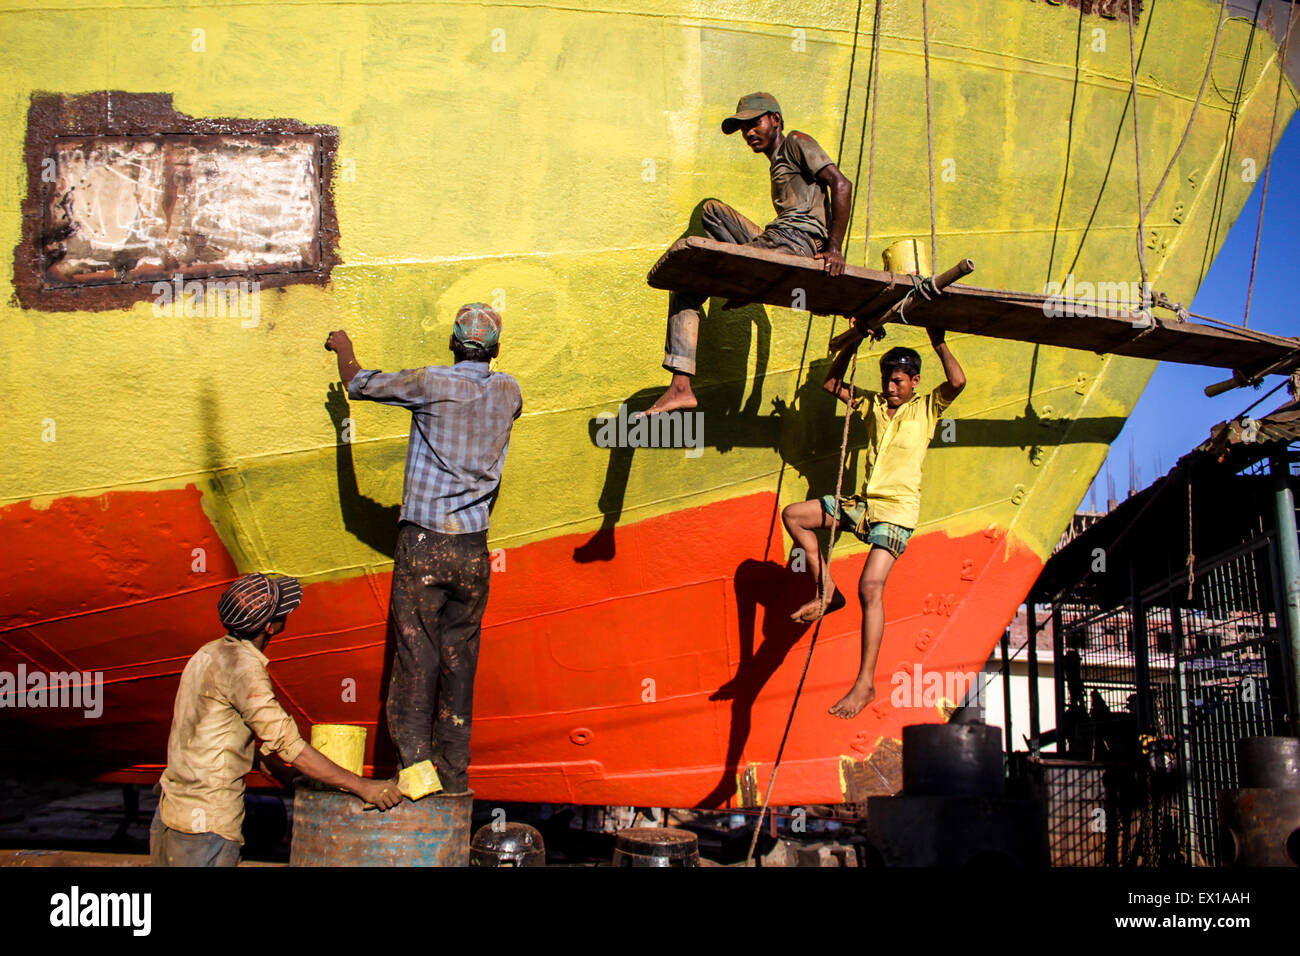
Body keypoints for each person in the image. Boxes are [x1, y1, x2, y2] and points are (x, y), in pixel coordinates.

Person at [326, 303, 522, 795]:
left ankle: (416, 781)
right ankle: (455, 781)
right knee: (461, 662)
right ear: (496, 349)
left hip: (424, 542)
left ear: (454, 343)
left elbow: (358, 382)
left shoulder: (432, 384)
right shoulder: (510, 392)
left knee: (417, 657)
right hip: (473, 548)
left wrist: (342, 346)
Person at [151, 572, 401, 867]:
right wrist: (363, 786)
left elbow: (212, 737)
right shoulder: (245, 670)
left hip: (169, 814)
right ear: (270, 627)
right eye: (283, 611)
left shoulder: (206, 654)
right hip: (206, 826)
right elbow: (289, 745)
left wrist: (275, 770)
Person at [781, 329, 966, 719]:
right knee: (795, 516)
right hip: (863, 505)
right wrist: (850, 344)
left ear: (914, 381)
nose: (891, 387)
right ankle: (827, 589)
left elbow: (957, 382)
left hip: (896, 512)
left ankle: (865, 683)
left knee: (870, 586)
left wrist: (938, 341)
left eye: (898, 381)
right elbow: (831, 382)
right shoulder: (873, 404)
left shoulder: (927, 408)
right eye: (887, 379)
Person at [645, 91, 853, 416]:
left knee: (691, 278)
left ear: (776, 120)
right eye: (743, 129)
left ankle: (742, 277)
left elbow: (841, 185)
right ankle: (681, 386)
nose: (748, 133)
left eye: (754, 123)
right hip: (777, 239)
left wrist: (833, 248)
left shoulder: (796, 141)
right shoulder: (777, 164)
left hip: (795, 244)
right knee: (711, 212)